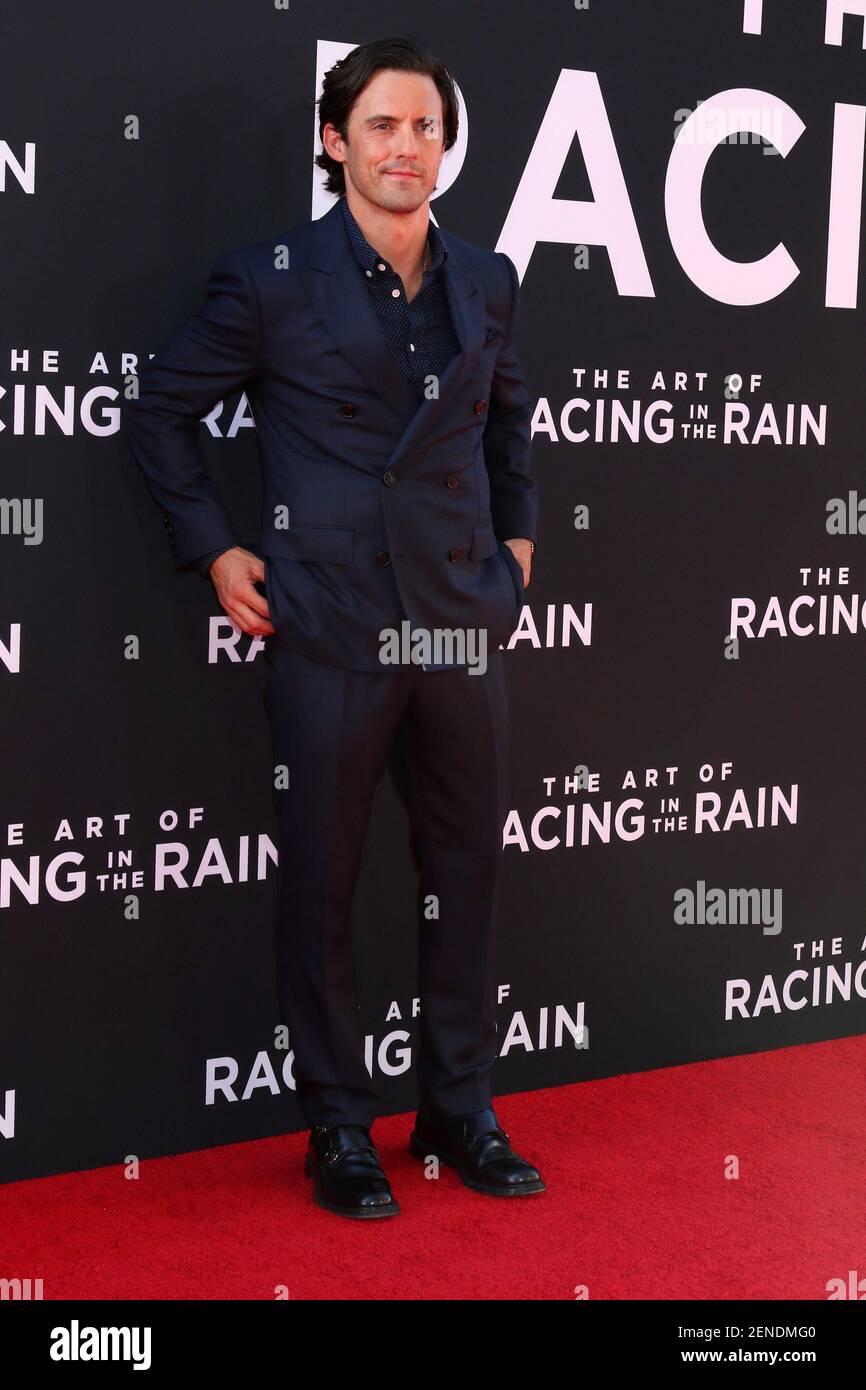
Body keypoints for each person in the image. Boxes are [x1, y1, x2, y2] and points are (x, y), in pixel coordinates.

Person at [125, 33, 543, 1219]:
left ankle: (458, 1108)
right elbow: (159, 414)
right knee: (321, 882)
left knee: (463, 875)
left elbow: (506, 432)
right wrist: (214, 546)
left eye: (423, 128)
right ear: (332, 140)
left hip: (459, 620)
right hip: (331, 620)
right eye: (379, 127)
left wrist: (516, 554)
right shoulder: (265, 277)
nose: (403, 147)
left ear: (444, 147)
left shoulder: (487, 276)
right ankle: (338, 1129)